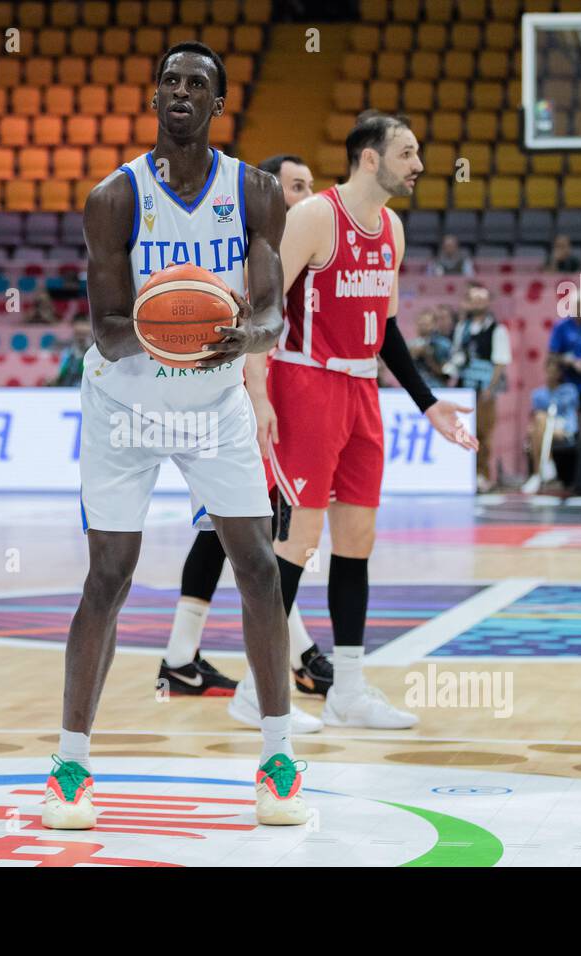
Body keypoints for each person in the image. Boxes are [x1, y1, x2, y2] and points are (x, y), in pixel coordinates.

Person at [46, 41, 308, 830]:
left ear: (218, 103)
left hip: (212, 404)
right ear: (155, 97)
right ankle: (70, 765)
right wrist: (182, 328)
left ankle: (279, 758)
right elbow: (107, 326)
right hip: (124, 403)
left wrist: (246, 334)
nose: (182, 92)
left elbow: (272, 310)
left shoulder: (256, 191)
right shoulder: (112, 198)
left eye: (198, 83)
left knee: (258, 565)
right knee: (110, 575)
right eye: (170, 82)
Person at [241, 109, 477, 732]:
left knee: (357, 541)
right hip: (305, 382)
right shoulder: (315, 217)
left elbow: (388, 327)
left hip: (362, 389)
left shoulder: (392, 227)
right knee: (297, 541)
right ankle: (254, 688)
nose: (418, 165)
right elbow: (263, 306)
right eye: (407, 153)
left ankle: (347, 690)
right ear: (369, 158)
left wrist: (427, 402)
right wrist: (258, 392)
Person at [159, 150, 331, 721]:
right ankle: (299, 658)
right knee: (254, 535)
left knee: (230, 534)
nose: (309, 196)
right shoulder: (246, 255)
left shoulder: (297, 257)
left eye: (311, 185)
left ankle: (181, 659)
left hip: (258, 404)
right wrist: (256, 397)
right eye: (296, 186)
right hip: (226, 405)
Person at [450, 282, 511, 492]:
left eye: (481, 299)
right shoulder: (462, 328)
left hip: (484, 388)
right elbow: (457, 354)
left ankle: (482, 475)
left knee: (484, 433)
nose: (477, 303)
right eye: (473, 299)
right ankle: (464, 474)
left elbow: (500, 362)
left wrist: (490, 388)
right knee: (463, 432)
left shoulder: (497, 329)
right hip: (464, 387)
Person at [522, 354, 581, 494]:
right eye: (549, 370)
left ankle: (537, 474)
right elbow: (536, 416)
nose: (551, 374)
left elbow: (569, 412)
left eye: (554, 371)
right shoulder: (538, 394)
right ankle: (545, 465)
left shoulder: (569, 390)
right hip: (545, 428)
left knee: (538, 427)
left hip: (564, 428)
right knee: (539, 421)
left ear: (560, 373)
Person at [548, 292, 581, 404]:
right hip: (564, 382)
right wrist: (571, 362)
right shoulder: (561, 327)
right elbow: (552, 356)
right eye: (579, 306)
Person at [408, 308, 453, 390]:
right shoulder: (409, 345)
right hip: (415, 388)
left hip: (437, 387)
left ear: (434, 325)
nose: (423, 327)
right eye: (421, 324)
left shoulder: (443, 344)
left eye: (426, 324)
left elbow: (446, 373)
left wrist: (427, 355)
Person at [50, 313, 92, 387]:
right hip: (69, 385)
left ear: (90, 335)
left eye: (84, 334)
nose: (81, 338)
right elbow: (61, 372)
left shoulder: (95, 352)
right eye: (78, 334)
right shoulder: (68, 351)